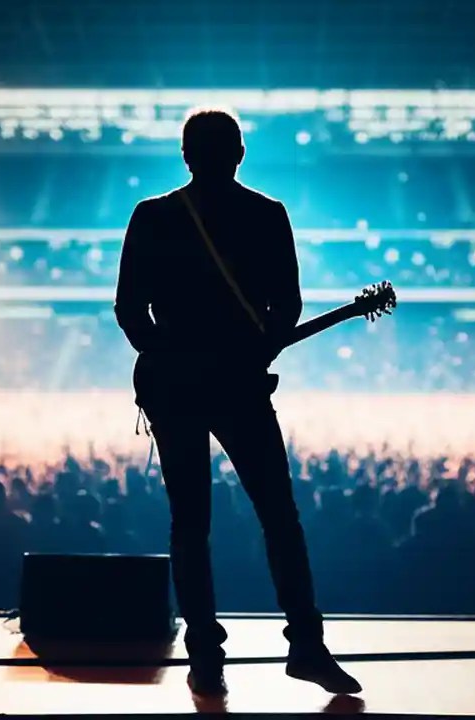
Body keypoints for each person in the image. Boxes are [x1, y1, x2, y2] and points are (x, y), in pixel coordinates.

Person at [114, 108, 361, 697]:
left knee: (190, 524)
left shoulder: (153, 216)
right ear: (241, 153)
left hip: (173, 388)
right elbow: (289, 305)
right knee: (280, 517)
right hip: (239, 385)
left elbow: (129, 307)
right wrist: (252, 349)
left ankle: (206, 656)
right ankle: (306, 646)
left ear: (184, 154)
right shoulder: (268, 215)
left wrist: (166, 357)